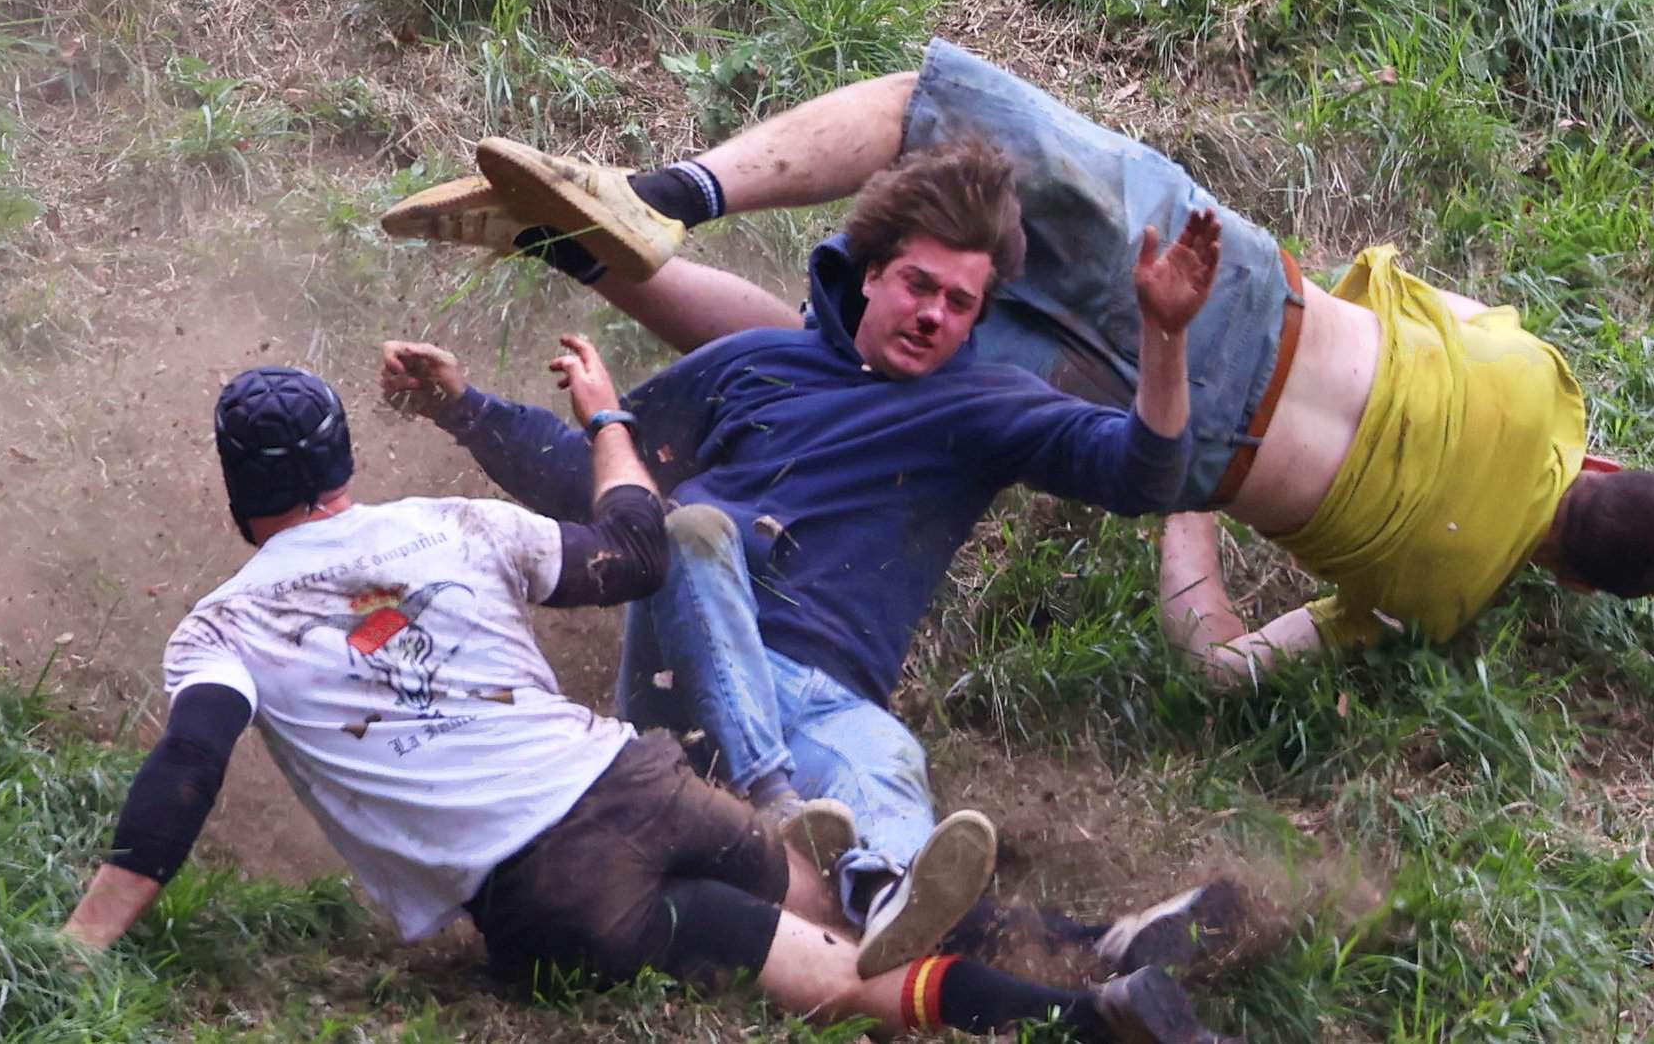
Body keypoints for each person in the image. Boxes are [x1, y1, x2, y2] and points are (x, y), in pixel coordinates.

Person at [381, 38, 1654, 687]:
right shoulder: (1437, 605)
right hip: (1192, 434)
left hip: (1243, 285)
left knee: (938, 111)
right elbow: (1221, 655)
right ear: (1572, 577)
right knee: (832, 371)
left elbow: (1389, 283)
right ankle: (572, 244)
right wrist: (1189, 501)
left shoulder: (1545, 384)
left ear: (1602, 464)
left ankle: (669, 192)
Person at [58, 361, 1231, 1044]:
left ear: (238, 493)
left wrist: (82, 940)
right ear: (343, 465)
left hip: (553, 885)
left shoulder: (222, 624)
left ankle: (1088, 1023)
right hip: (634, 782)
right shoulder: (445, 525)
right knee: (842, 905)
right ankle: (1098, 949)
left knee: (835, 977)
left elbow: (185, 773)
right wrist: (606, 417)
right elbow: (634, 549)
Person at [378, 136, 1221, 977]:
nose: (934, 314)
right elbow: (588, 477)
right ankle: (775, 804)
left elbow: (1144, 475)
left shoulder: (988, 408)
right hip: (685, 682)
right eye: (919, 285)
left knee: (890, 769)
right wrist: (461, 405)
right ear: (872, 274)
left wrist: (1165, 337)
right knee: (694, 532)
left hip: (827, 707)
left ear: (978, 316)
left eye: (960, 302)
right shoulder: (754, 364)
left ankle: (1008, 929)